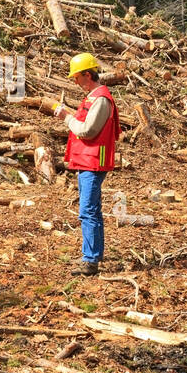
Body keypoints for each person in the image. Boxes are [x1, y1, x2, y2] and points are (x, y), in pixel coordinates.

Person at [46, 53, 121, 276]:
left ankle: (90, 260)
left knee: (87, 211)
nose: (75, 82)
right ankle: (93, 255)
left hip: (93, 162)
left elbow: (87, 131)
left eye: (77, 78)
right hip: (89, 161)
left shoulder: (100, 100)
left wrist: (67, 118)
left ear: (88, 75)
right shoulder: (94, 97)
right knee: (92, 211)